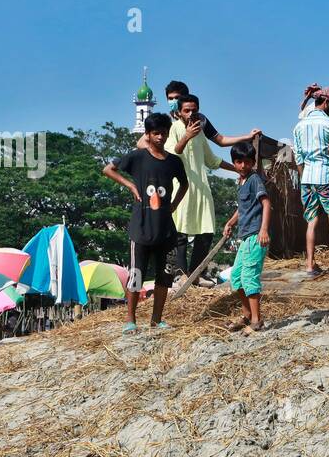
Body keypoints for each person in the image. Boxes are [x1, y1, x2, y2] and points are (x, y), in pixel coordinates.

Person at [102, 112, 188, 333]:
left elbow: (185, 184)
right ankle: (130, 320)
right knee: (136, 276)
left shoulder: (173, 162)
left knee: (164, 278)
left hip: (166, 231)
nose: (160, 137)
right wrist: (130, 185)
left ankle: (156, 319)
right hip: (141, 229)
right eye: (156, 133)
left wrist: (174, 205)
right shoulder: (138, 157)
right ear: (148, 135)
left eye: (164, 133)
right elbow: (108, 169)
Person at [166, 93, 226, 287]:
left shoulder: (200, 131)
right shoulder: (173, 128)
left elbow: (212, 160)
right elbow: (173, 151)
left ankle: (196, 273)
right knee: (181, 233)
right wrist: (186, 136)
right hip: (182, 187)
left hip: (201, 186)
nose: (191, 113)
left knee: (207, 231)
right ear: (179, 112)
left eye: (194, 110)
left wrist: (239, 169)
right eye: (187, 110)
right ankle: (181, 274)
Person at [292, 85, 329, 275]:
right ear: (328, 102)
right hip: (326, 176)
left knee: (311, 221)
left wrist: (303, 176)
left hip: (307, 178)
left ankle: (309, 264)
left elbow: (298, 159)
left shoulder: (298, 126)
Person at [221, 141, 271, 335]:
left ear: (252, 163)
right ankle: (248, 314)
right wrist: (230, 222)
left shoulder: (254, 179)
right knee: (236, 277)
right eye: (239, 162)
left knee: (249, 278)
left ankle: (257, 321)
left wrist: (264, 230)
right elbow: (243, 209)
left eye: (248, 162)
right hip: (245, 237)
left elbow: (266, 204)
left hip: (256, 237)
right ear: (234, 162)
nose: (243, 166)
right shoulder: (241, 182)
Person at [137, 79, 260, 153]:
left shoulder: (200, 120)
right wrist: (163, 156)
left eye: (177, 98)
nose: (173, 101)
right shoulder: (165, 121)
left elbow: (221, 141)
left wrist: (248, 136)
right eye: (170, 98)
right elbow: (141, 143)